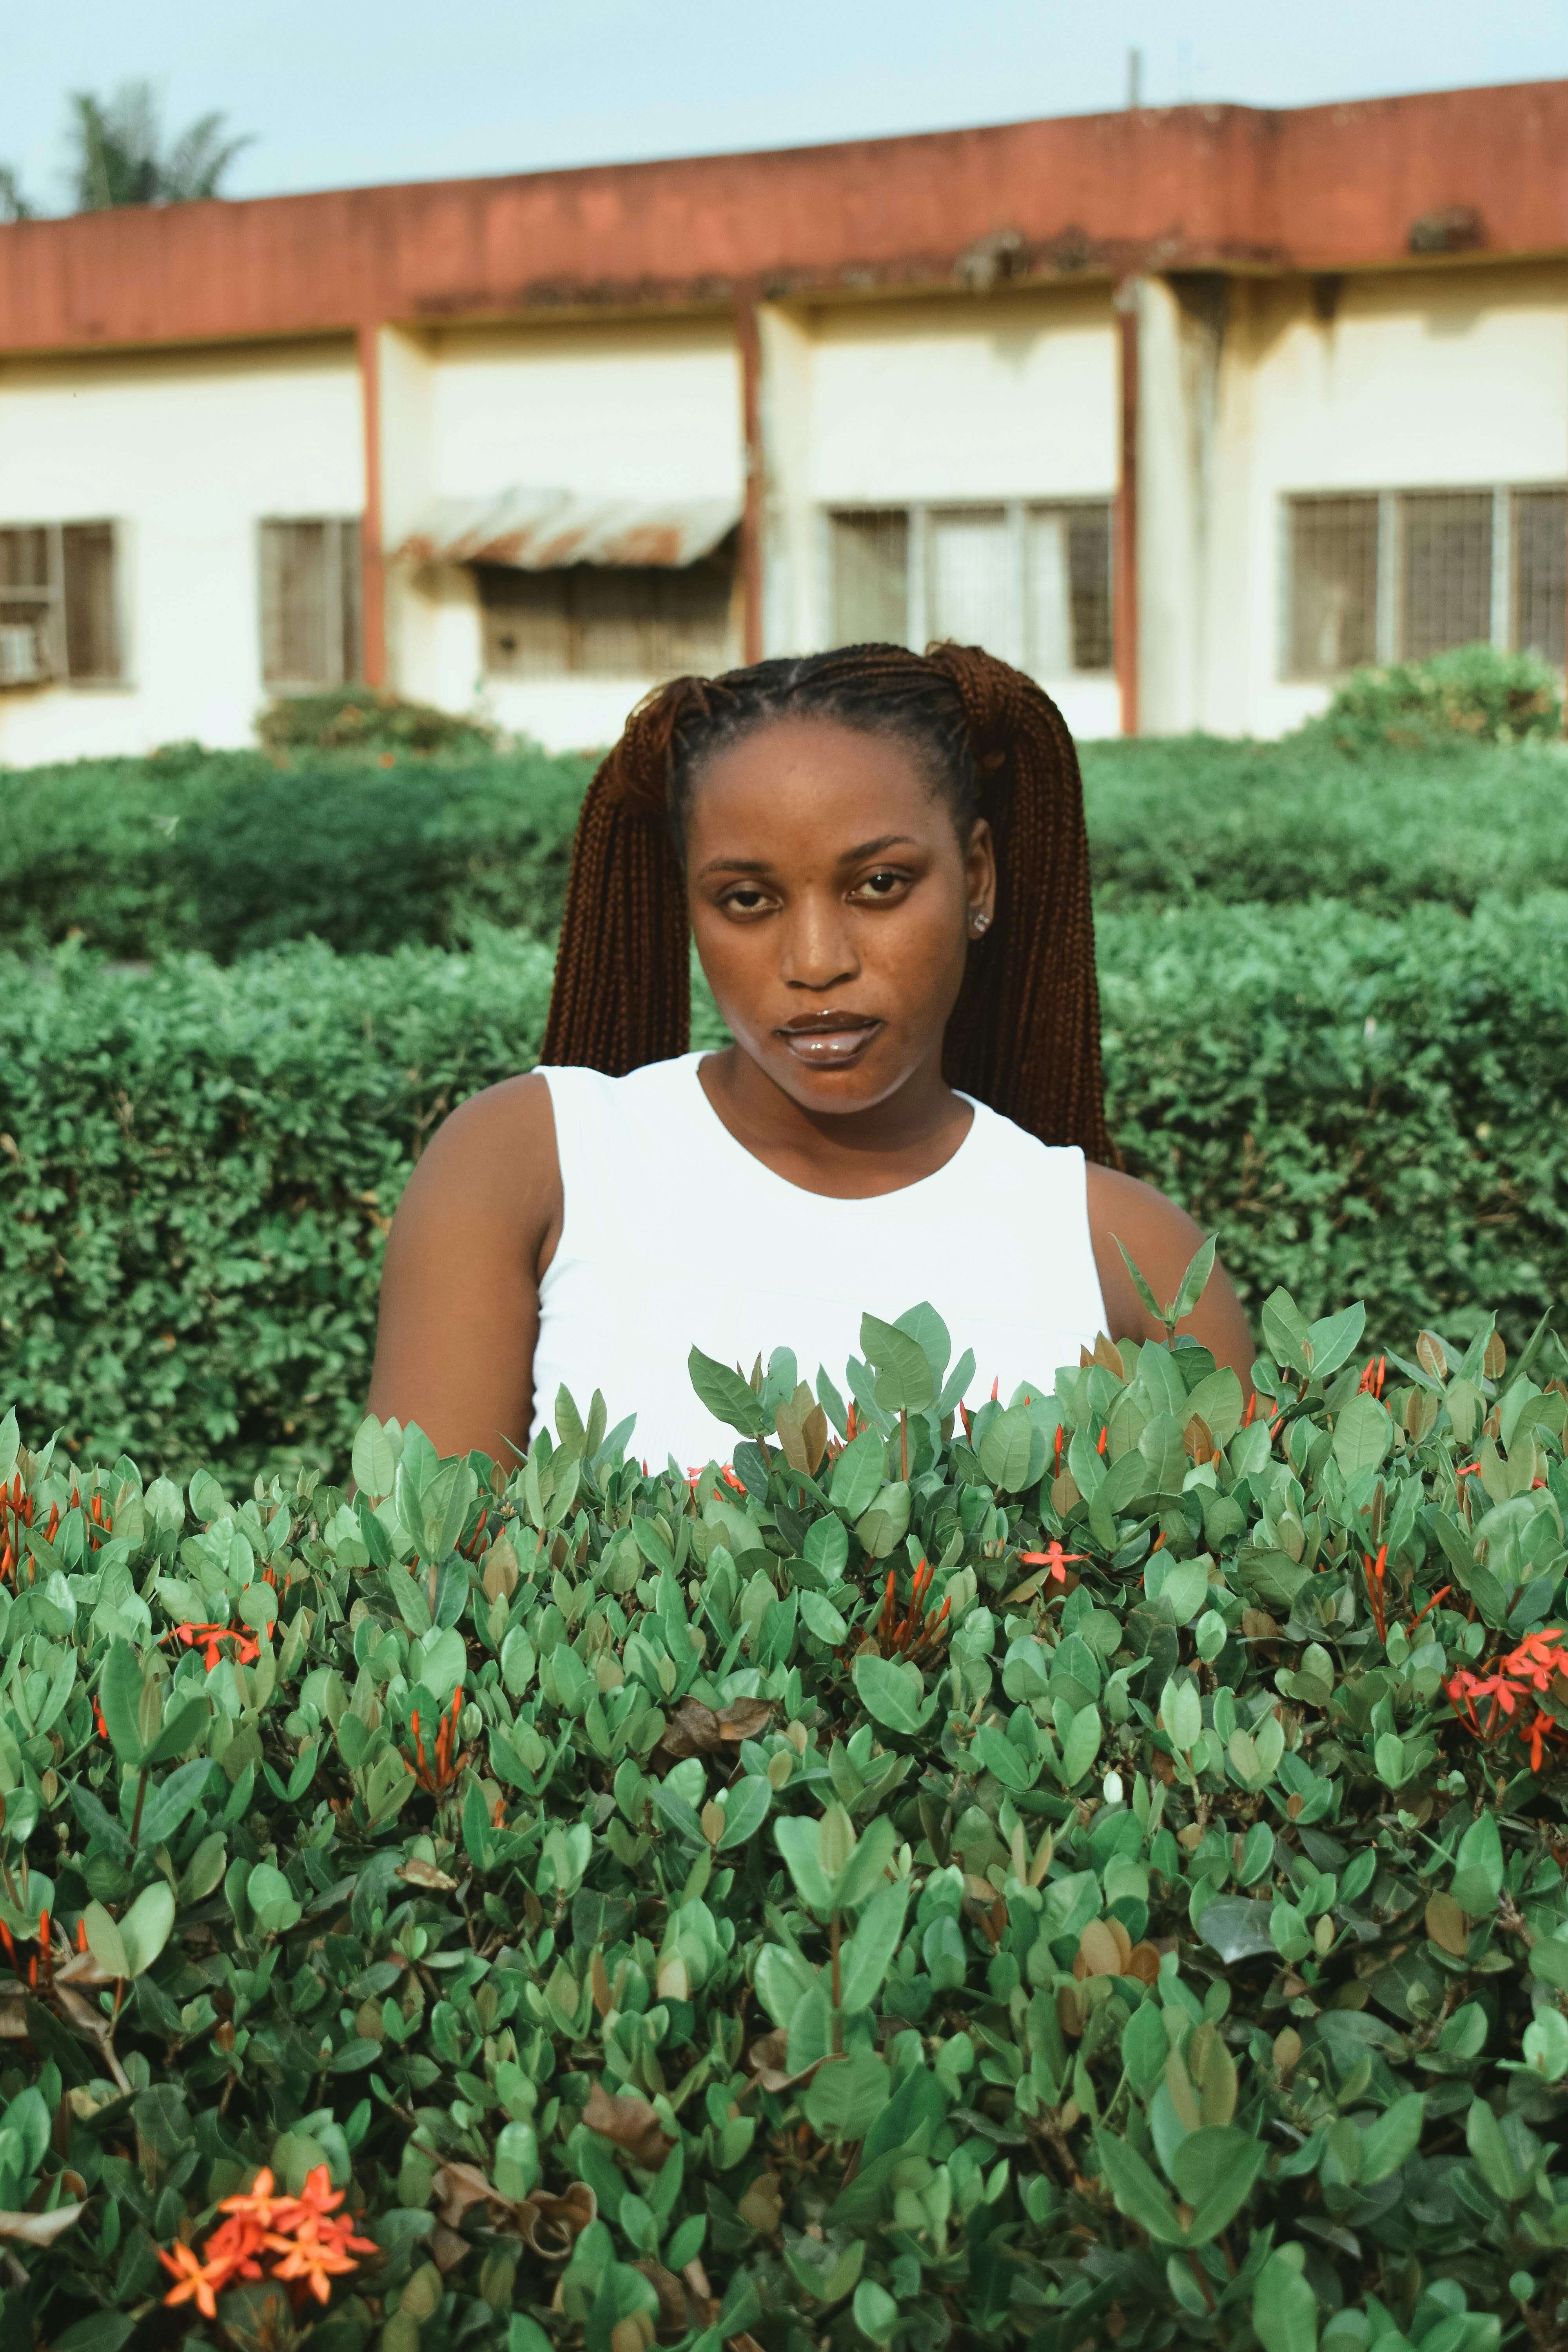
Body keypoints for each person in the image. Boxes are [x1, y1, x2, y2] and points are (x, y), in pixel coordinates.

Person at [366, 641, 1253, 1466]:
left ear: (977, 876)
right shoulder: (529, 1163)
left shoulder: (1134, 1259)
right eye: (747, 899)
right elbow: (414, 1570)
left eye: (879, 885)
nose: (817, 961)